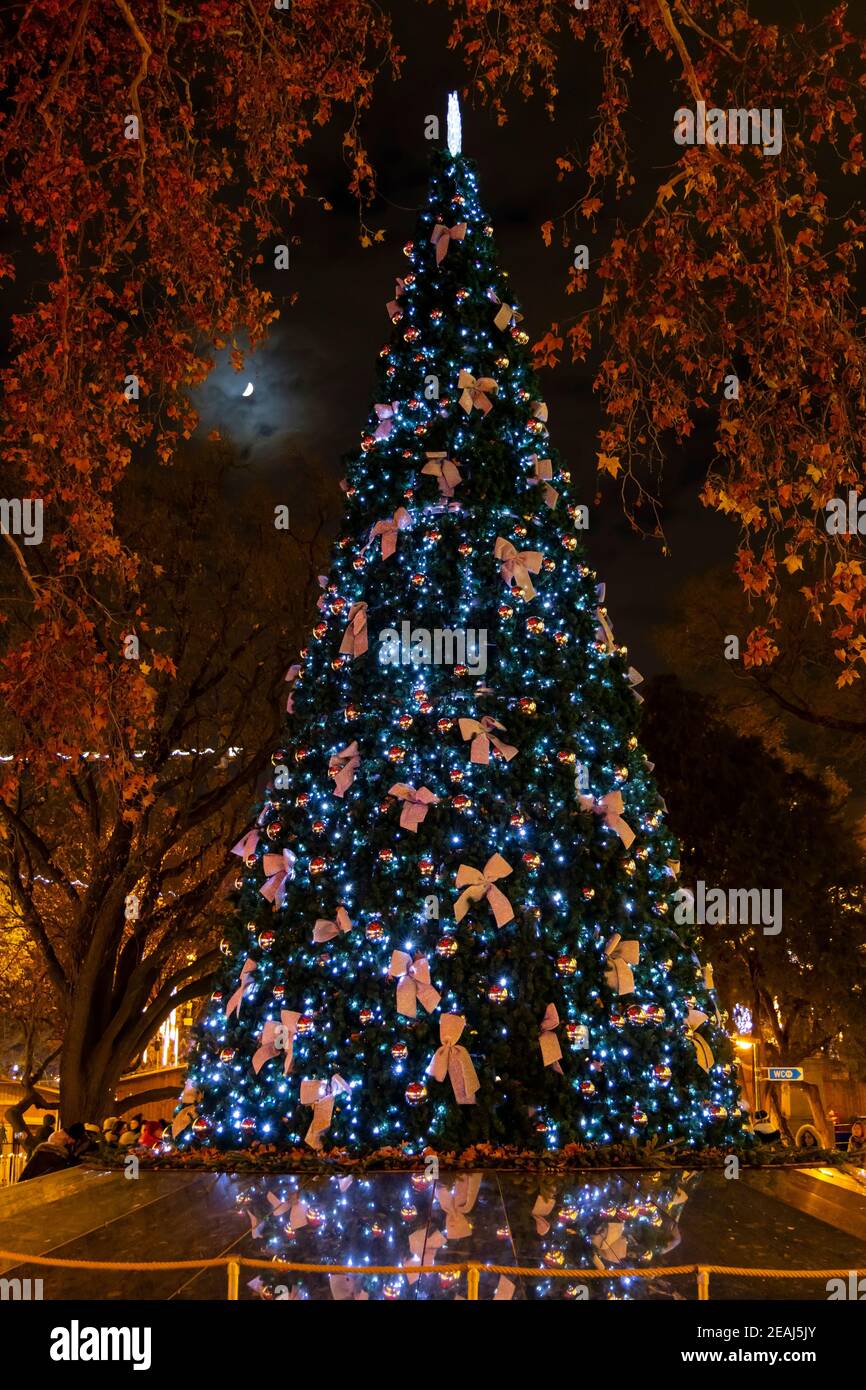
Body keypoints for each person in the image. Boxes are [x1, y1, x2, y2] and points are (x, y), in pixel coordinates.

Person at [17, 1122, 88, 1183]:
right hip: (39, 1186)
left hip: (31, 1184)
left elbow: (29, 1169)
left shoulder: (42, 1148)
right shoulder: (59, 1156)